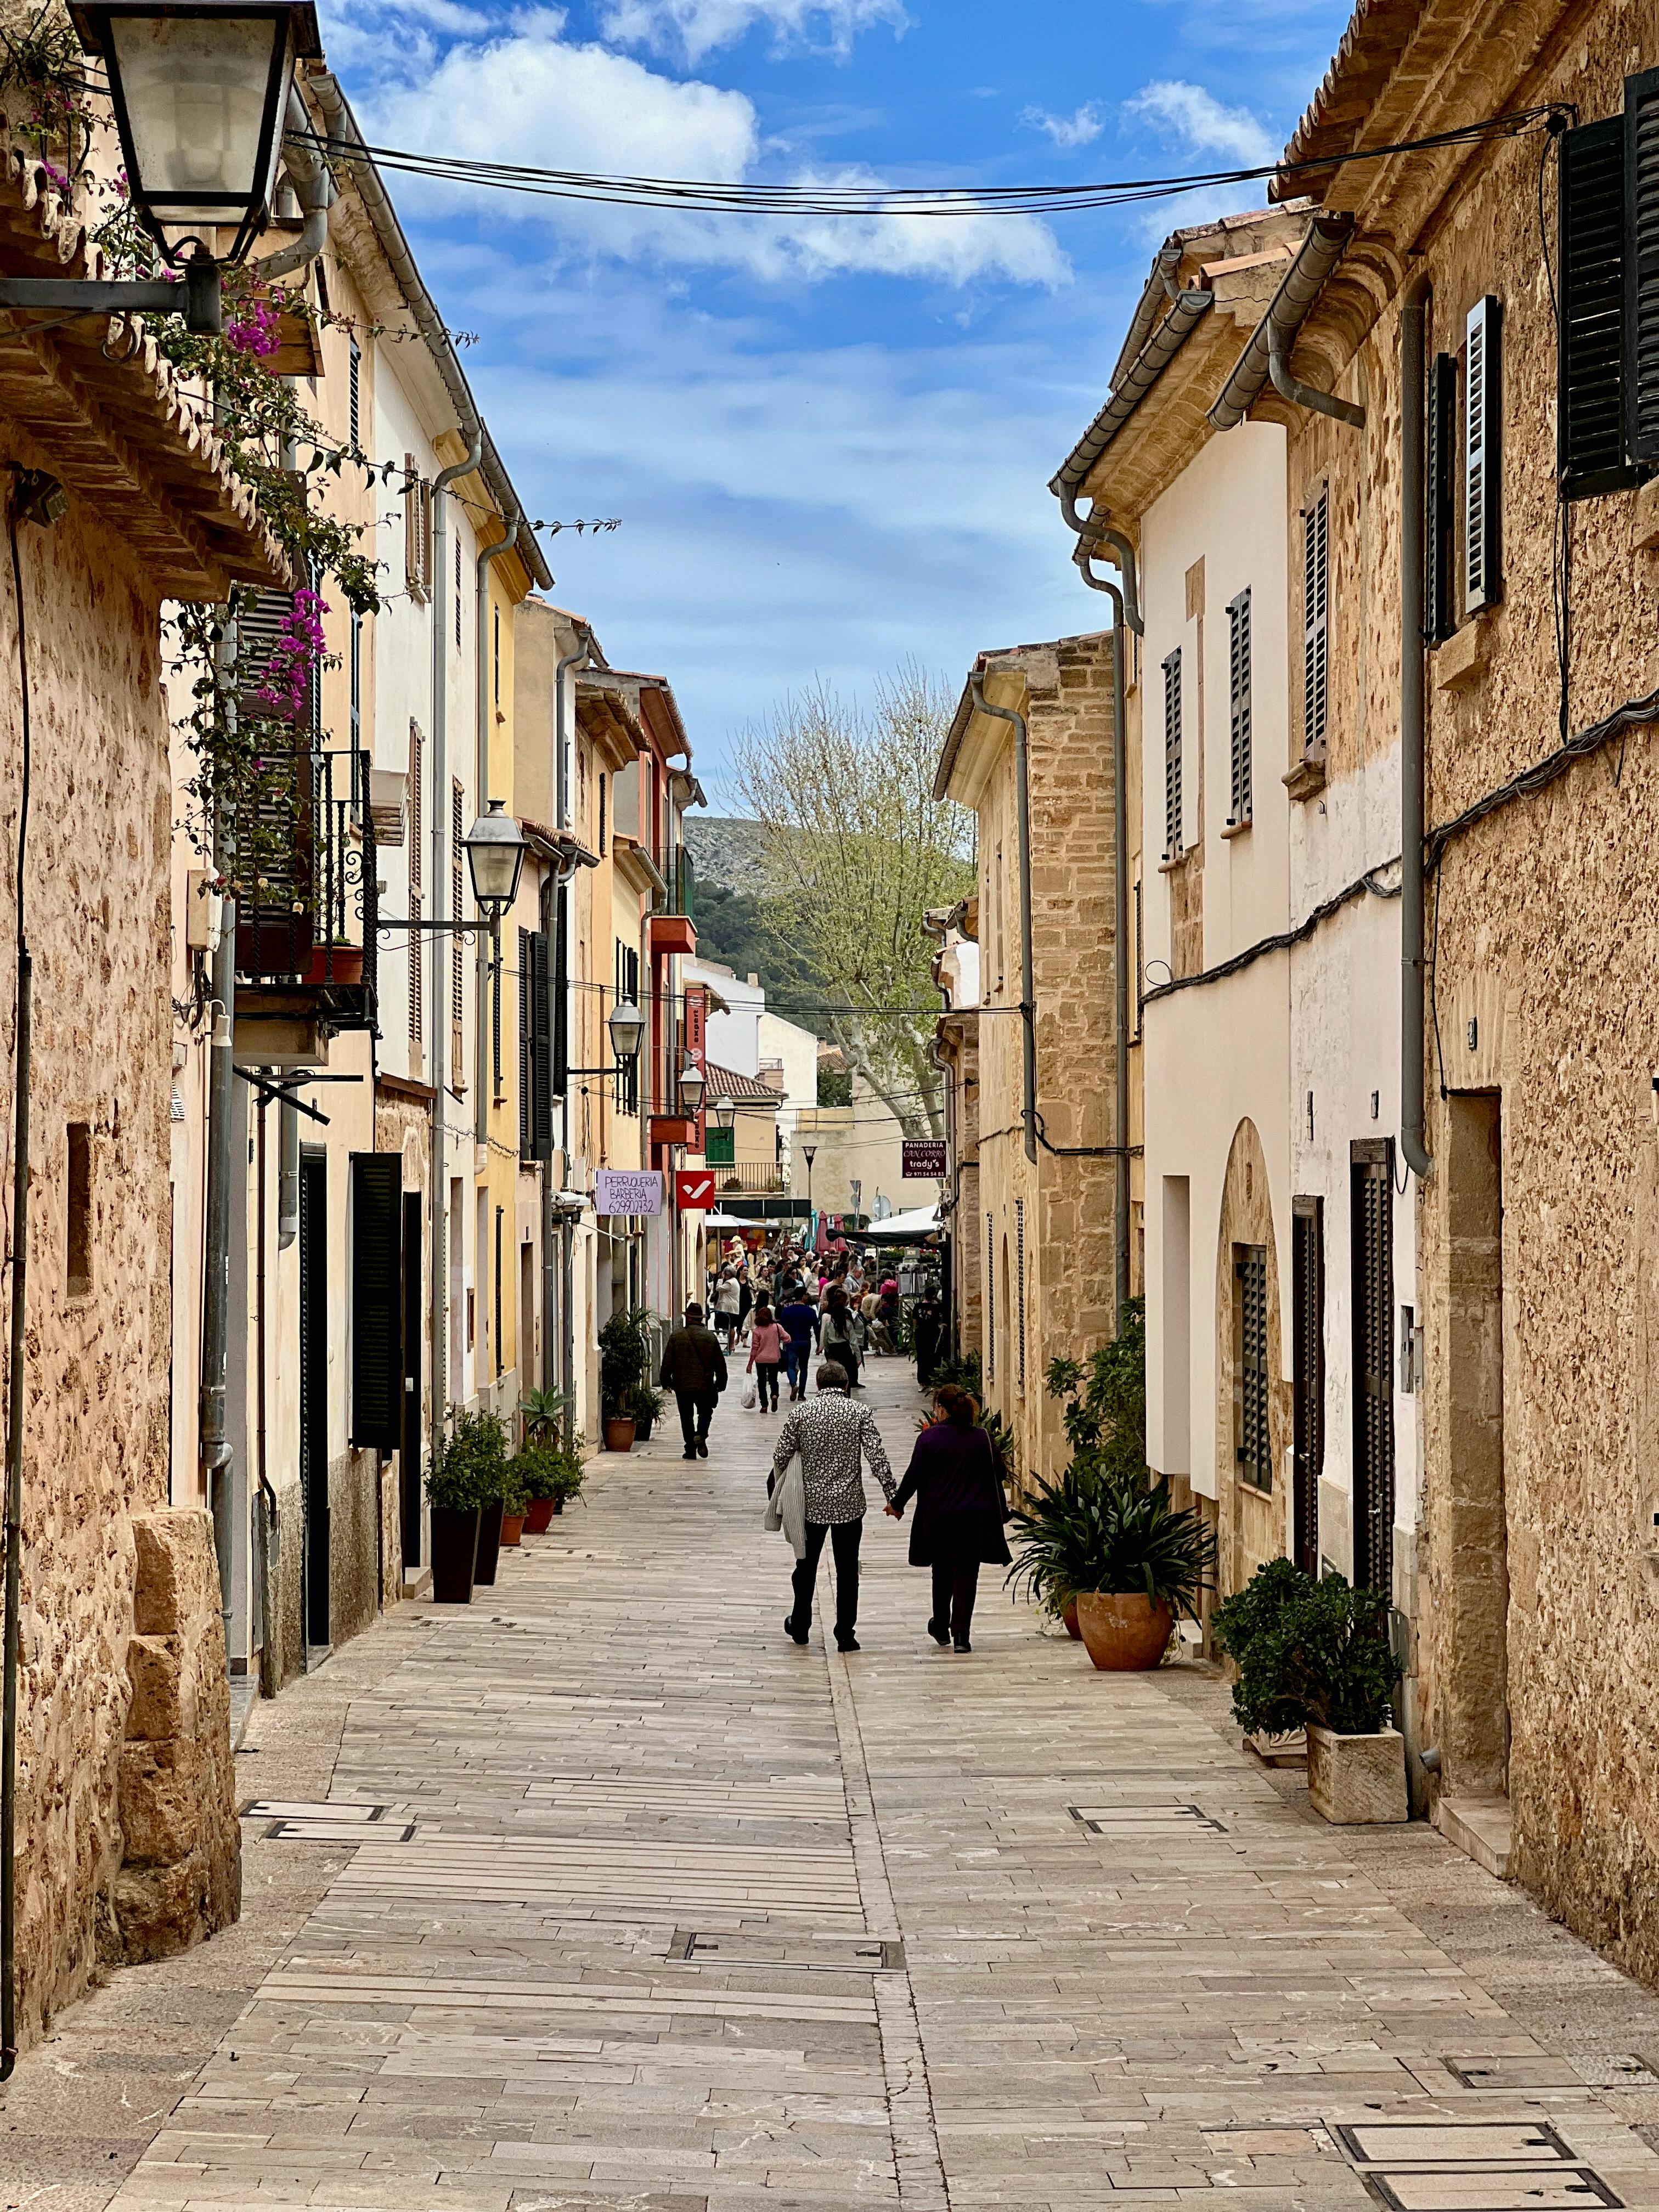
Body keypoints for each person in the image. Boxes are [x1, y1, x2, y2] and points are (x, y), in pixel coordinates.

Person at [772, 1361, 896, 1651]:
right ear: (846, 1385)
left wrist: (784, 1489)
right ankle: (845, 1634)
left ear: (817, 1385)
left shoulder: (801, 1413)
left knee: (806, 1567)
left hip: (811, 1506)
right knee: (847, 1570)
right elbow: (877, 1457)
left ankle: (800, 1625)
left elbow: (780, 1455)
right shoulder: (860, 1413)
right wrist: (892, 1495)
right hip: (848, 1506)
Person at [887, 1384, 1011, 1653]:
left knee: (941, 1570)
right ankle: (962, 1637)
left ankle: (941, 1626)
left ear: (942, 1409)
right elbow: (1000, 1472)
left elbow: (914, 1476)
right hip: (973, 1518)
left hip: (938, 1517)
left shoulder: (929, 1439)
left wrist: (897, 1505)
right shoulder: (983, 1438)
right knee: (967, 1573)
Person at [659, 1301, 728, 1459]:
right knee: (705, 1413)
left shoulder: (677, 1336)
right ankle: (701, 1435)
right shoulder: (710, 1337)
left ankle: (690, 1448)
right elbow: (720, 1363)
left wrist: (665, 1381)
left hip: (682, 1386)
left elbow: (667, 1361)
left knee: (686, 1417)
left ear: (688, 1318)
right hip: (704, 1385)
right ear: (701, 1319)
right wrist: (721, 1383)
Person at [778, 1283, 819, 1402]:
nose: (808, 1296)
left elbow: (782, 1326)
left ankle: (793, 1384)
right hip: (805, 1341)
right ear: (803, 1296)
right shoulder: (810, 1311)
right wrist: (819, 1344)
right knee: (804, 1367)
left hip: (791, 1341)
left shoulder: (787, 1311)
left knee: (791, 1366)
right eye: (806, 1294)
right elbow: (816, 1328)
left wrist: (780, 1341)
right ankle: (801, 1394)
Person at [747, 1299, 787, 1412]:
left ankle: (764, 1405)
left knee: (762, 1382)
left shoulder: (757, 1331)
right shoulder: (777, 1328)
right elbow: (788, 1338)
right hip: (774, 1358)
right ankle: (774, 1395)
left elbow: (754, 1349)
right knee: (773, 1380)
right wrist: (779, 1340)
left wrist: (750, 1364)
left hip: (760, 1360)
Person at [819, 1283, 861, 1389]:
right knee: (846, 1374)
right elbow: (854, 1342)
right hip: (845, 1349)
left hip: (833, 1349)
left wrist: (826, 1349)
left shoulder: (830, 1323)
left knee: (833, 1373)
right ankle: (847, 1394)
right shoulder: (848, 1324)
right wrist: (858, 1357)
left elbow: (825, 1337)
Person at [911, 1284, 943, 1389]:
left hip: (921, 1334)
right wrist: (936, 1299)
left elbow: (915, 1322)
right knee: (933, 1357)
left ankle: (922, 1382)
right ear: (934, 1295)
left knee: (921, 1358)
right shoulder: (936, 1307)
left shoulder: (917, 1306)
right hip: (933, 1334)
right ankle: (932, 1380)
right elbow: (942, 1310)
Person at [713, 1269, 742, 1350]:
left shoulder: (729, 1283)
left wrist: (720, 1279)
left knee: (731, 1327)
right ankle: (730, 1345)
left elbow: (718, 1288)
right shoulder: (734, 1281)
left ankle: (731, 1345)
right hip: (733, 1307)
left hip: (729, 1308)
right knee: (731, 1327)